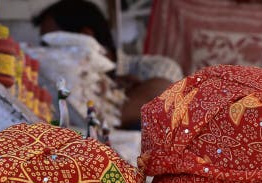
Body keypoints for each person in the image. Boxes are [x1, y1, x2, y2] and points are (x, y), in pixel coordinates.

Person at [32, 0, 182, 129]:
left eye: (52, 43)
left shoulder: (152, 67)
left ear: (85, 37)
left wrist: (114, 104)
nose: (49, 53)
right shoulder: (74, 84)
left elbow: (165, 97)